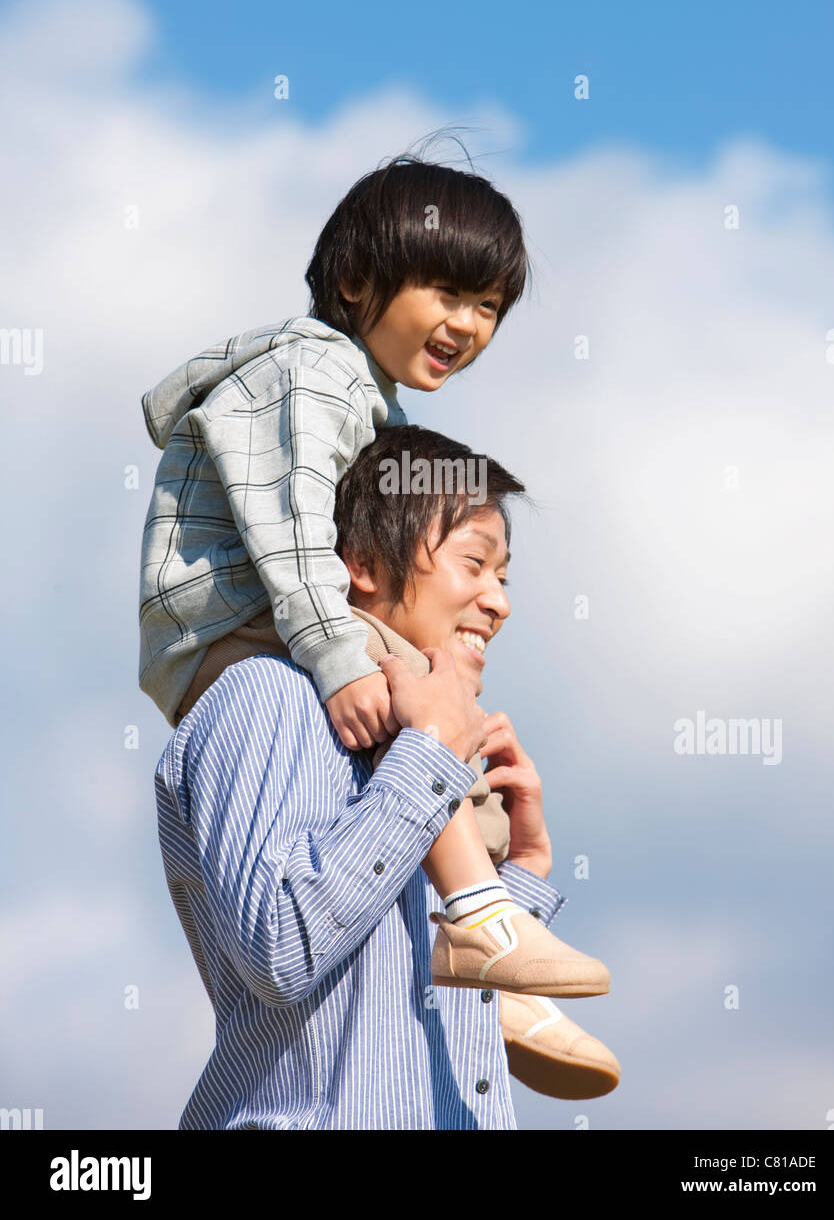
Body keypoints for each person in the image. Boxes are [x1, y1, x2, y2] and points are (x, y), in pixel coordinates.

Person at [140, 154, 608, 996]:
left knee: (438, 704)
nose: (467, 324)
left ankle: (498, 951)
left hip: (280, 618)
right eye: (447, 293)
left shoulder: (373, 403)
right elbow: (285, 526)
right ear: (358, 280)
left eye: (489, 307)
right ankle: (479, 919)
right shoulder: (311, 372)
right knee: (423, 694)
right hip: (231, 624)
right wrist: (337, 656)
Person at [155, 425, 620, 1128]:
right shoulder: (265, 698)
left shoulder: (423, 768)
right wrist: (432, 754)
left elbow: (409, 1007)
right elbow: (279, 948)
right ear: (365, 562)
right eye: (475, 564)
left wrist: (519, 873)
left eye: (504, 576)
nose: (500, 602)